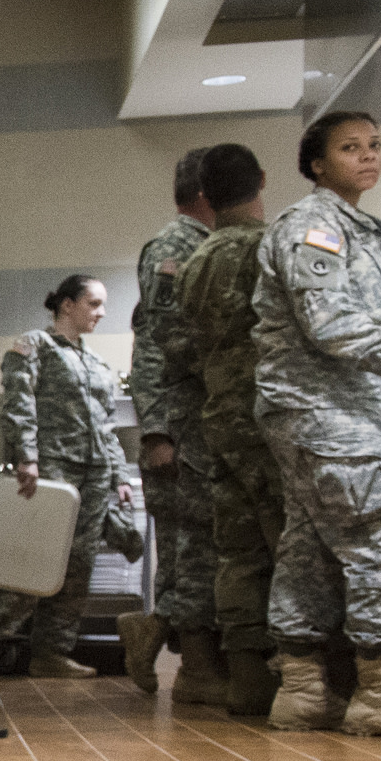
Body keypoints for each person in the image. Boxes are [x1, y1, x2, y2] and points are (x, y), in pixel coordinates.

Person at [253, 112, 381, 736]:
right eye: (350, 148)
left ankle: (302, 689)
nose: (368, 157)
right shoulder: (315, 227)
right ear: (317, 163)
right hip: (323, 409)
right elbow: (329, 322)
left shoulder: (360, 229)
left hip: (322, 409)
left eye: (374, 146)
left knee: (309, 548)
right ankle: (378, 692)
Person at [172, 144, 284, 715]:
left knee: (237, 552)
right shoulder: (270, 249)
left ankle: (245, 678)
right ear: (263, 179)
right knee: (287, 546)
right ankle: (298, 678)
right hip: (270, 417)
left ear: (204, 197)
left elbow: (183, 348)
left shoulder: (195, 262)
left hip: (220, 418)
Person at [0, 276, 135, 678]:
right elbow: (18, 400)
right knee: (30, 559)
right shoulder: (35, 345)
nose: (101, 313)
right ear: (66, 305)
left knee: (76, 566)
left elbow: (107, 426)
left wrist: (119, 475)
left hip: (95, 474)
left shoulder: (94, 362)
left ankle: (50, 653)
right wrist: (27, 457)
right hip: (51, 470)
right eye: (93, 303)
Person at [121, 151, 224, 702]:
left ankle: (161, 637)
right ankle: (191, 663)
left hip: (198, 425)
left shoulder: (203, 247)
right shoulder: (174, 247)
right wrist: (157, 431)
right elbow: (157, 344)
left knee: (196, 551)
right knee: (193, 550)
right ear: (209, 192)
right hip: (180, 428)